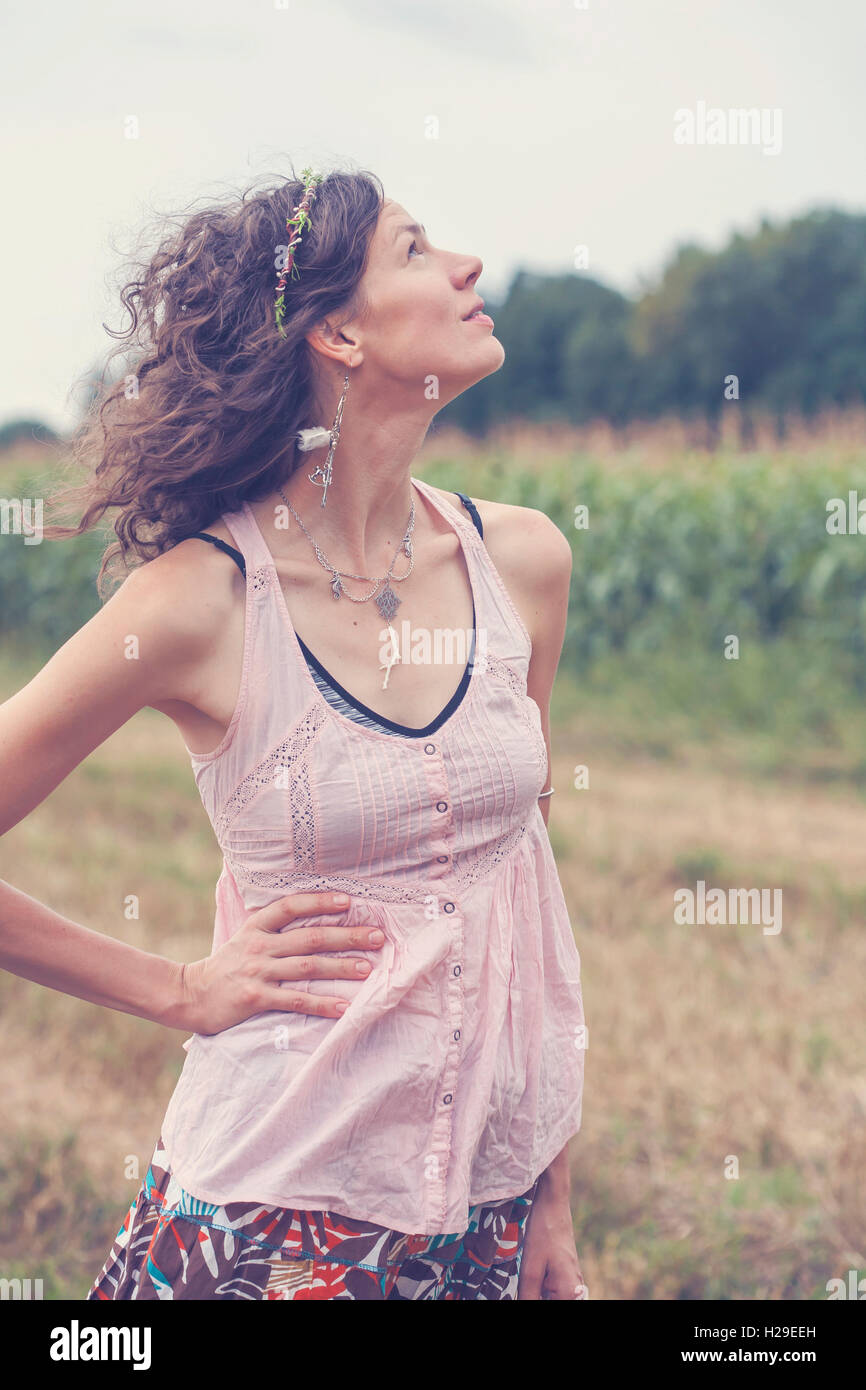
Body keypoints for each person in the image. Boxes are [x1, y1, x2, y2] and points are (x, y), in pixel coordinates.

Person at [0, 166, 588, 1300]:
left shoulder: (521, 562)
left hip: (479, 1220)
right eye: (417, 251)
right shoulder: (199, 601)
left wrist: (547, 1202)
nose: (467, 267)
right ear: (337, 332)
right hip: (270, 1226)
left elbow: (527, 895)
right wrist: (179, 986)